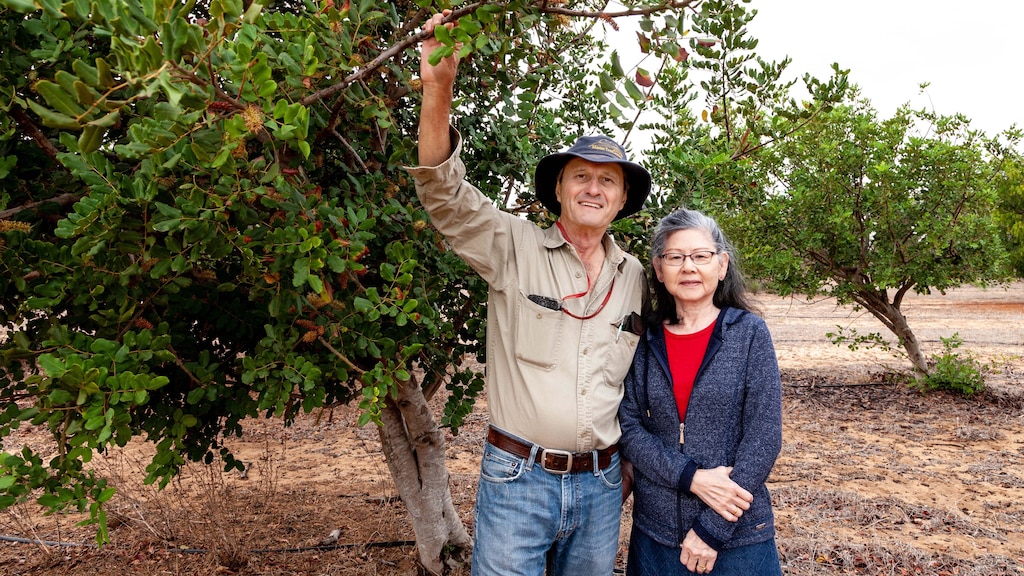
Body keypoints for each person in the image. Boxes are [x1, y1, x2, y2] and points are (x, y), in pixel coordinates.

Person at [406, 11, 651, 576]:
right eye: (580, 177)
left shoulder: (636, 276)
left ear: (620, 201)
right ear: (559, 190)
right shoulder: (511, 246)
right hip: (519, 480)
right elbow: (443, 195)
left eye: (607, 180)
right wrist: (438, 89)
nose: (593, 187)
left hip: (602, 486)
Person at [618, 208, 783, 576]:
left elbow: (764, 436)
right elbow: (628, 428)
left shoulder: (749, 334)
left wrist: (712, 529)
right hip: (655, 536)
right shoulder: (645, 339)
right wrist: (691, 477)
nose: (688, 267)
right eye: (675, 258)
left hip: (738, 536)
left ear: (721, 265)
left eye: (701, 256)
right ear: (659, 271)